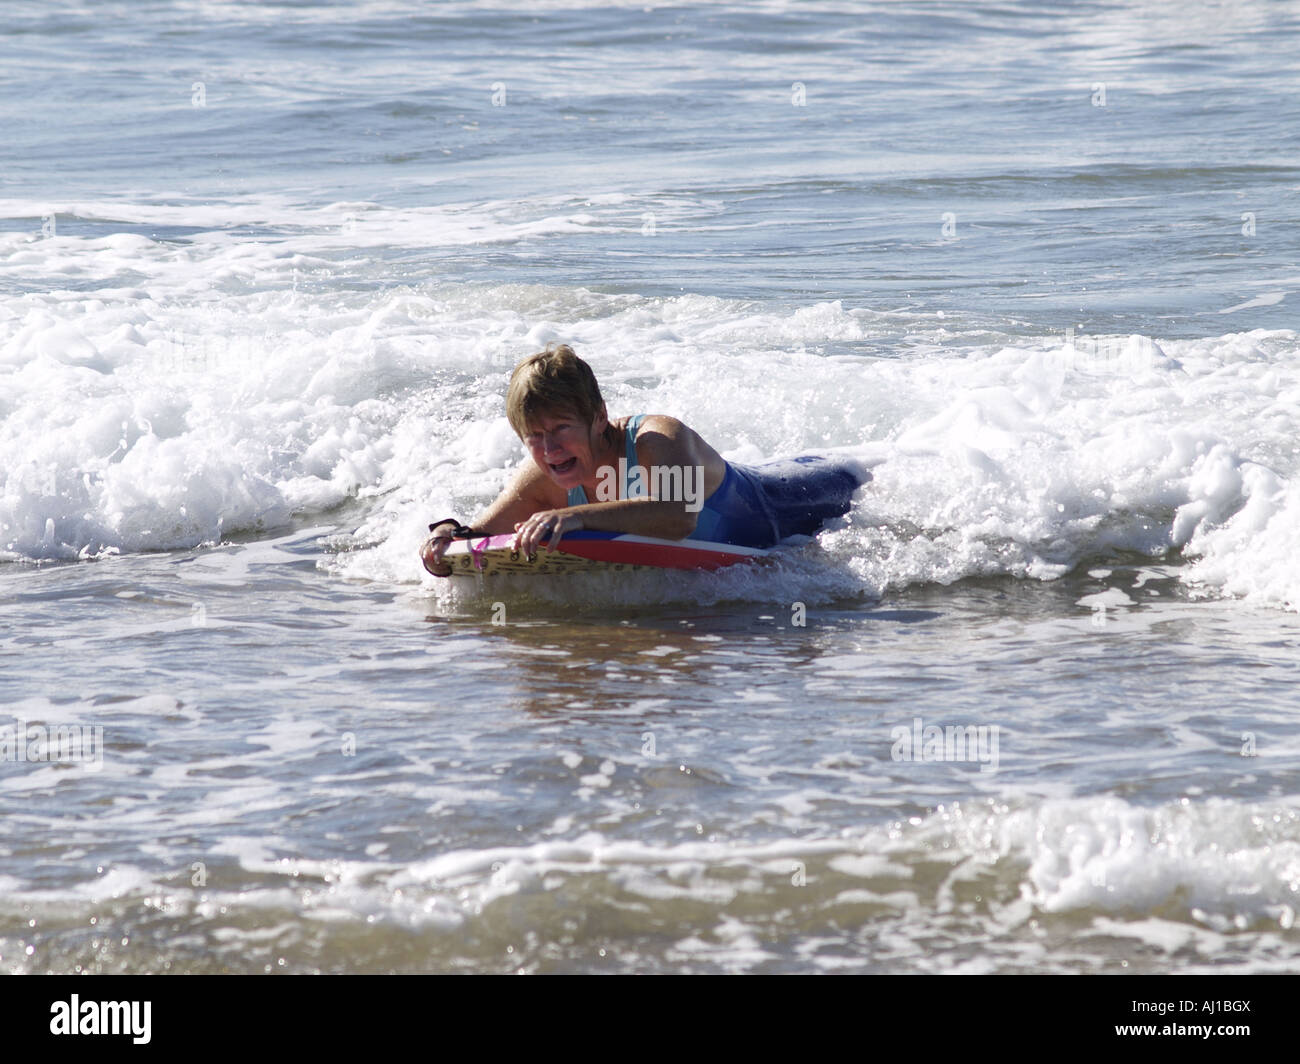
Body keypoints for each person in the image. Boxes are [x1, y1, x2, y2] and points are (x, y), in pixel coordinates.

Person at [421, 343, 866, 577]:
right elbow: (478, 534)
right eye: (534, 437)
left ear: (598, 418)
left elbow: (679, 518)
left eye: (560, 429)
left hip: (800, 498)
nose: (549, 449)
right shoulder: (543, 477)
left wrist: (575, 517)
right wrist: (443, 539)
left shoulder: (658, 440)